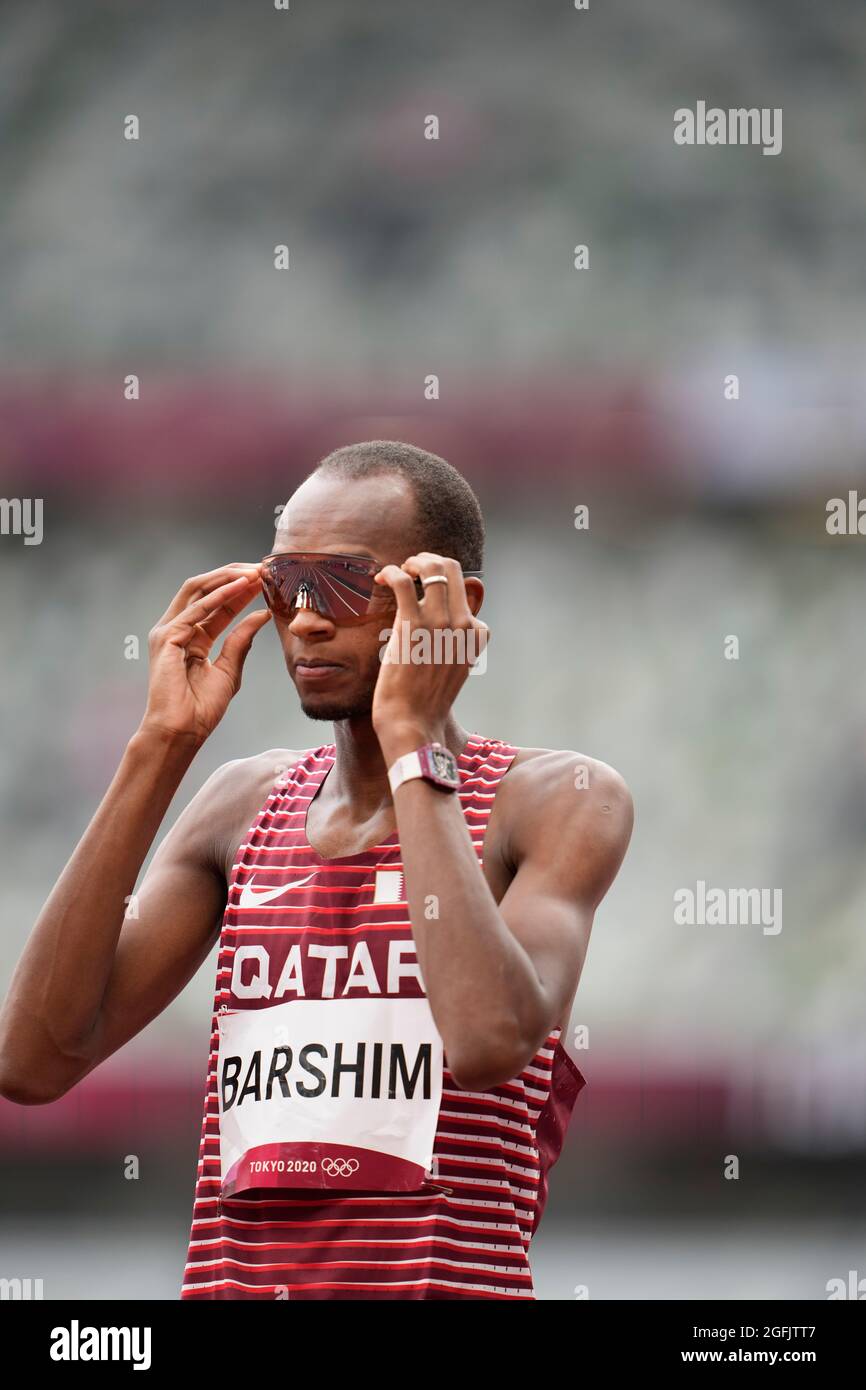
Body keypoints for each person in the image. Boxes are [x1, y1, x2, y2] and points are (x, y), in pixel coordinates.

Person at [0, 440, 633, 1300]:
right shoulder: (241, 806)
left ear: (453, 604)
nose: (305, 619)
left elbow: (489, 1043)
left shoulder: (555, 800)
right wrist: (160, 748)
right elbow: (33, 1061)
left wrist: (411, 740)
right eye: (287, 583)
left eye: (344, 583)